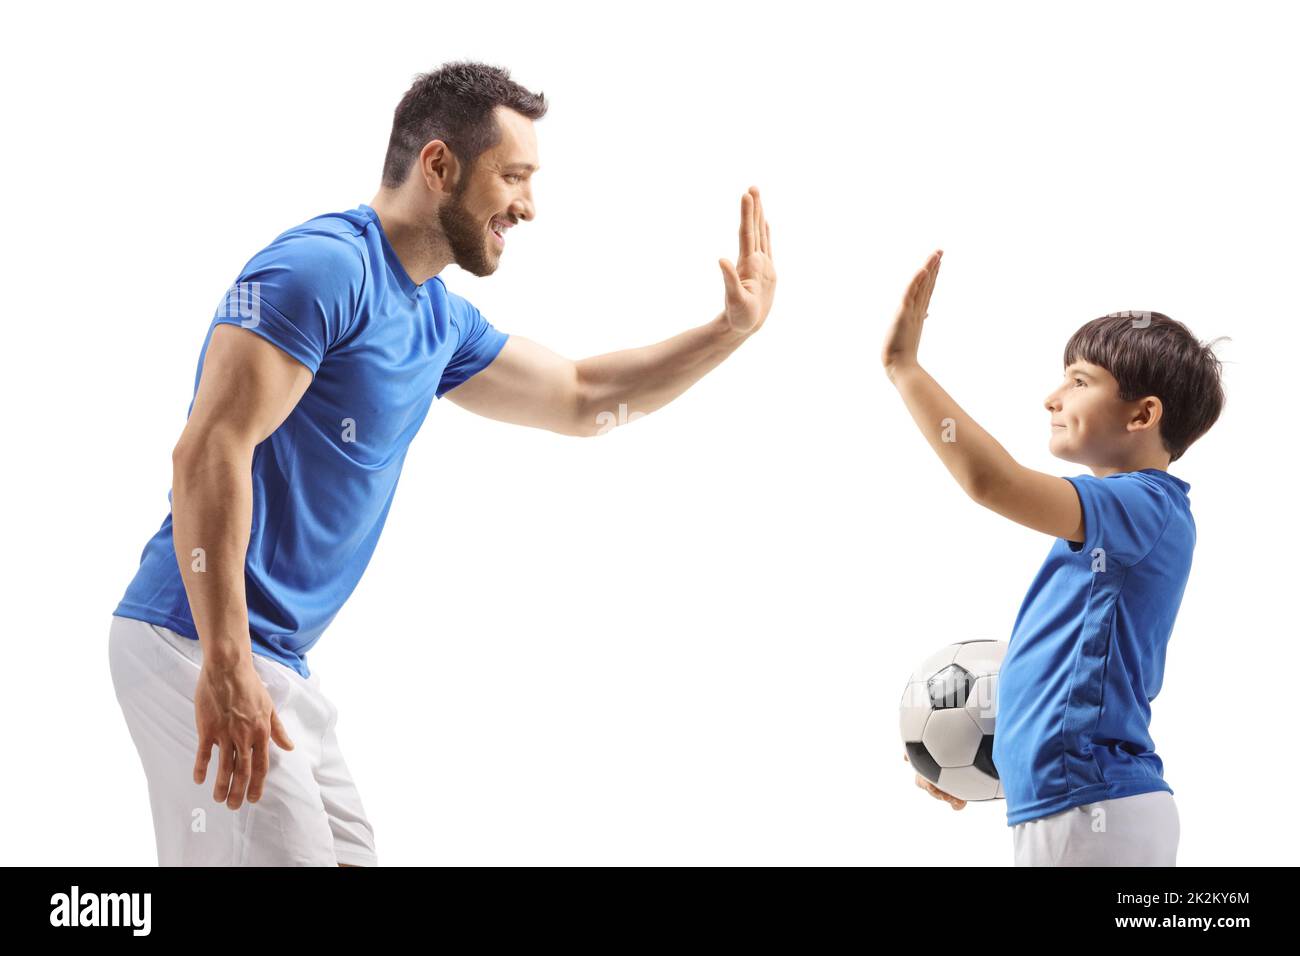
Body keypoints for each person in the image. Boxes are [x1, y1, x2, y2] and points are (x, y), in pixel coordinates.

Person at [108, 61, 776, 866]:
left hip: (274, 658)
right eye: (515, 177)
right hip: (191, 639)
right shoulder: (321, 270)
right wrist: (224, 661)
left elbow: (580, 396)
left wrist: (726, 333)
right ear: (438, 166)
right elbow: (210, 449)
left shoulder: (436, 319)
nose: (528, 206)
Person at [887, 251, 1226, 866]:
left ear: (1143, 415)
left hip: (1091, 811)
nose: (1052, 397)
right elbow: (1076, 679)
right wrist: (987, 765)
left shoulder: (1142, 505)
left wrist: (905, 368)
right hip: (1086, 809)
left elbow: (993, 483)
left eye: (1078, 380)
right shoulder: (1122, 523)